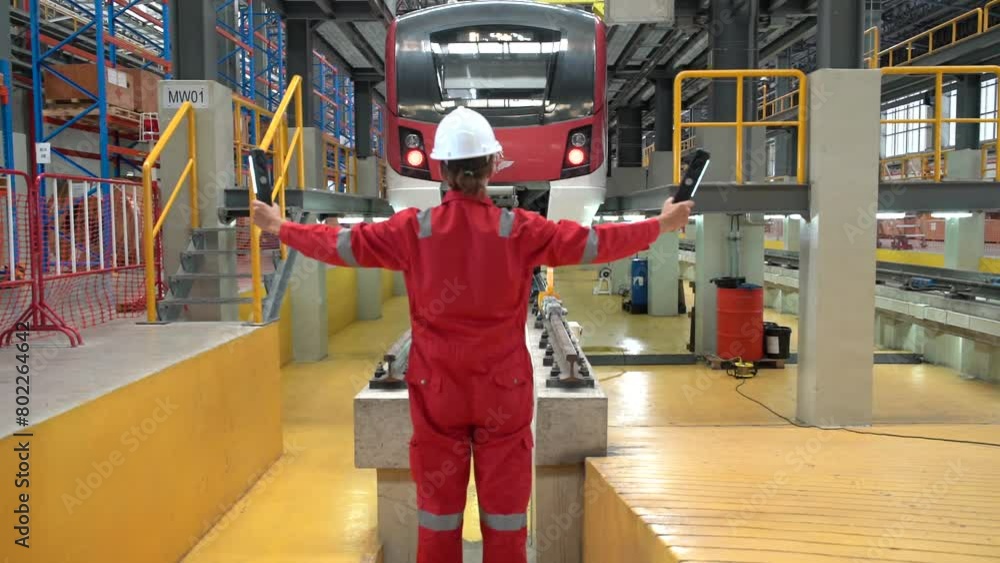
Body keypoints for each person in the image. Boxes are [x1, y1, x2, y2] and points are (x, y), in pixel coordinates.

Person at [250, 106, 693, 563]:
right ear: (491, 167)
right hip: (504, 390)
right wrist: (661, 225)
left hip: (436, 390)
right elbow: (594, 242)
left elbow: (342, 245)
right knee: (506, 522)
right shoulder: (520, 230)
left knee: (437, 520)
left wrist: (280, 226)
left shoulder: (412, 230)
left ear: (441, 169)